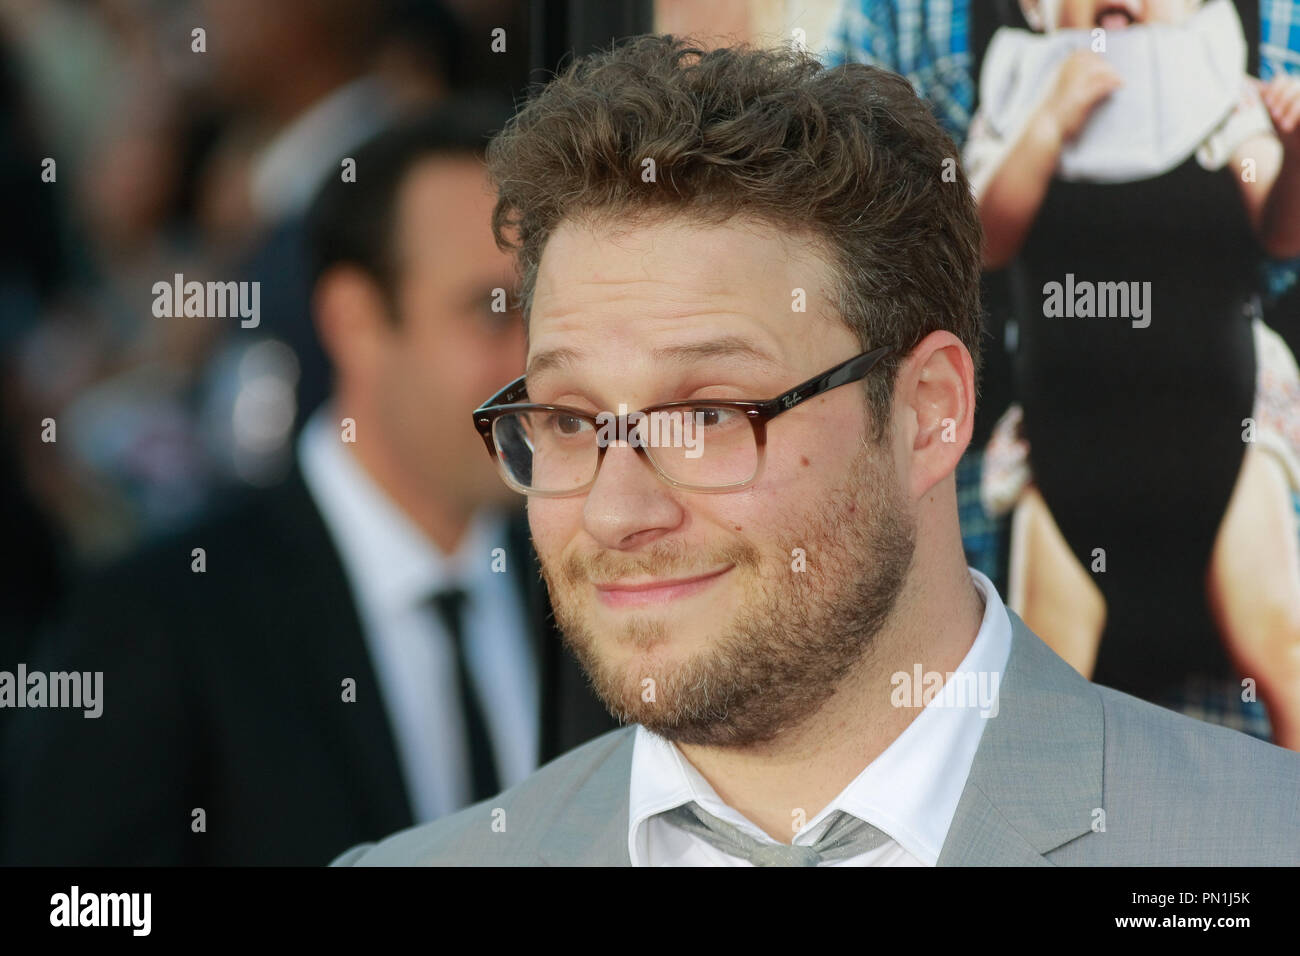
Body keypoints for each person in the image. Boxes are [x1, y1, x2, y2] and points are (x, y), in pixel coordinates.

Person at [330, 36, 1300, 867]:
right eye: (571, 420)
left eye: (706, 413)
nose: (616, 510)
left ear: (928, 411)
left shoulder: (1246, 845)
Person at [0, 100, 616, 866]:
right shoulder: (158, 623)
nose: (536, 367)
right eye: (493, 315)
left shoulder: (598, 572)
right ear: (354, 320)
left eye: (549, 317)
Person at [966, 0, 1300, 748]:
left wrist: (1295, 147)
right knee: (1040, 680)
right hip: (1067, 447)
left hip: (1226, 426)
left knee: (1282, 648)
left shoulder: (1212, 82)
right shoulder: (1021, 88)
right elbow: (983, 241)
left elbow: (1280, 229)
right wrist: (1046, 126)